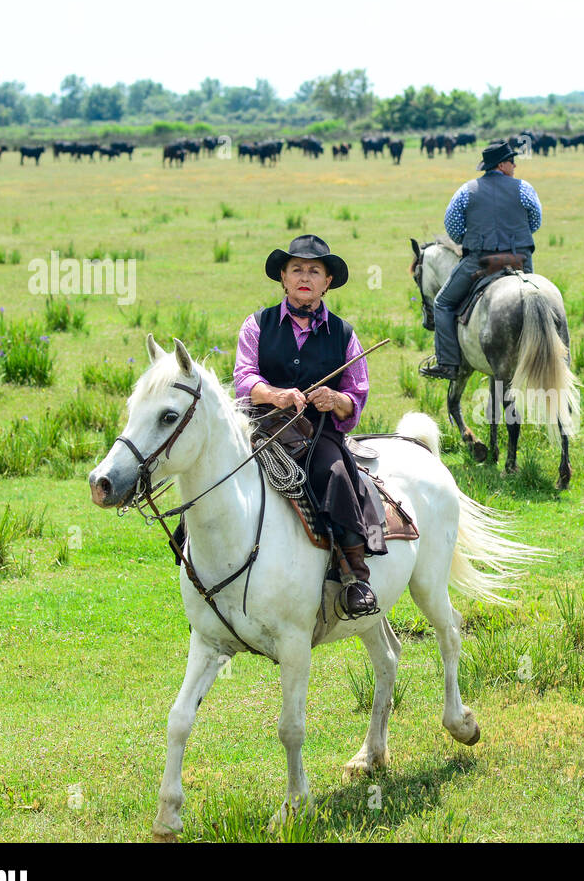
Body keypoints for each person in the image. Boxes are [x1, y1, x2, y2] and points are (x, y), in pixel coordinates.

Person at [232, 234, 384, 616]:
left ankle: (354, 575)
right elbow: (244, 377)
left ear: (327, 282)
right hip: (263, 429)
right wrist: (275, 395)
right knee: (216, 470)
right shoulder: (257, 325)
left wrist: (335, 400)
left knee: (334, 474)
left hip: (318, 435)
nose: (305, 277)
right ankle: (194, 559)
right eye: (296, 269)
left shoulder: (345, 335)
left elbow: (356, 396)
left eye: (314, 271)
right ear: (282, 277)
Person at [419, 138, 543, 380]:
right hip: (521, 259)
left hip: (481, 261)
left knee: (442, 304)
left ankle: (448, 363)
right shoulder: (524, 188)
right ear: (503, 165)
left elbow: (453, 228)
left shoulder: (467, 190)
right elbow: (535, 222)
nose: (515, 166)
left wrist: (474, 237)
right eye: (512, 161)